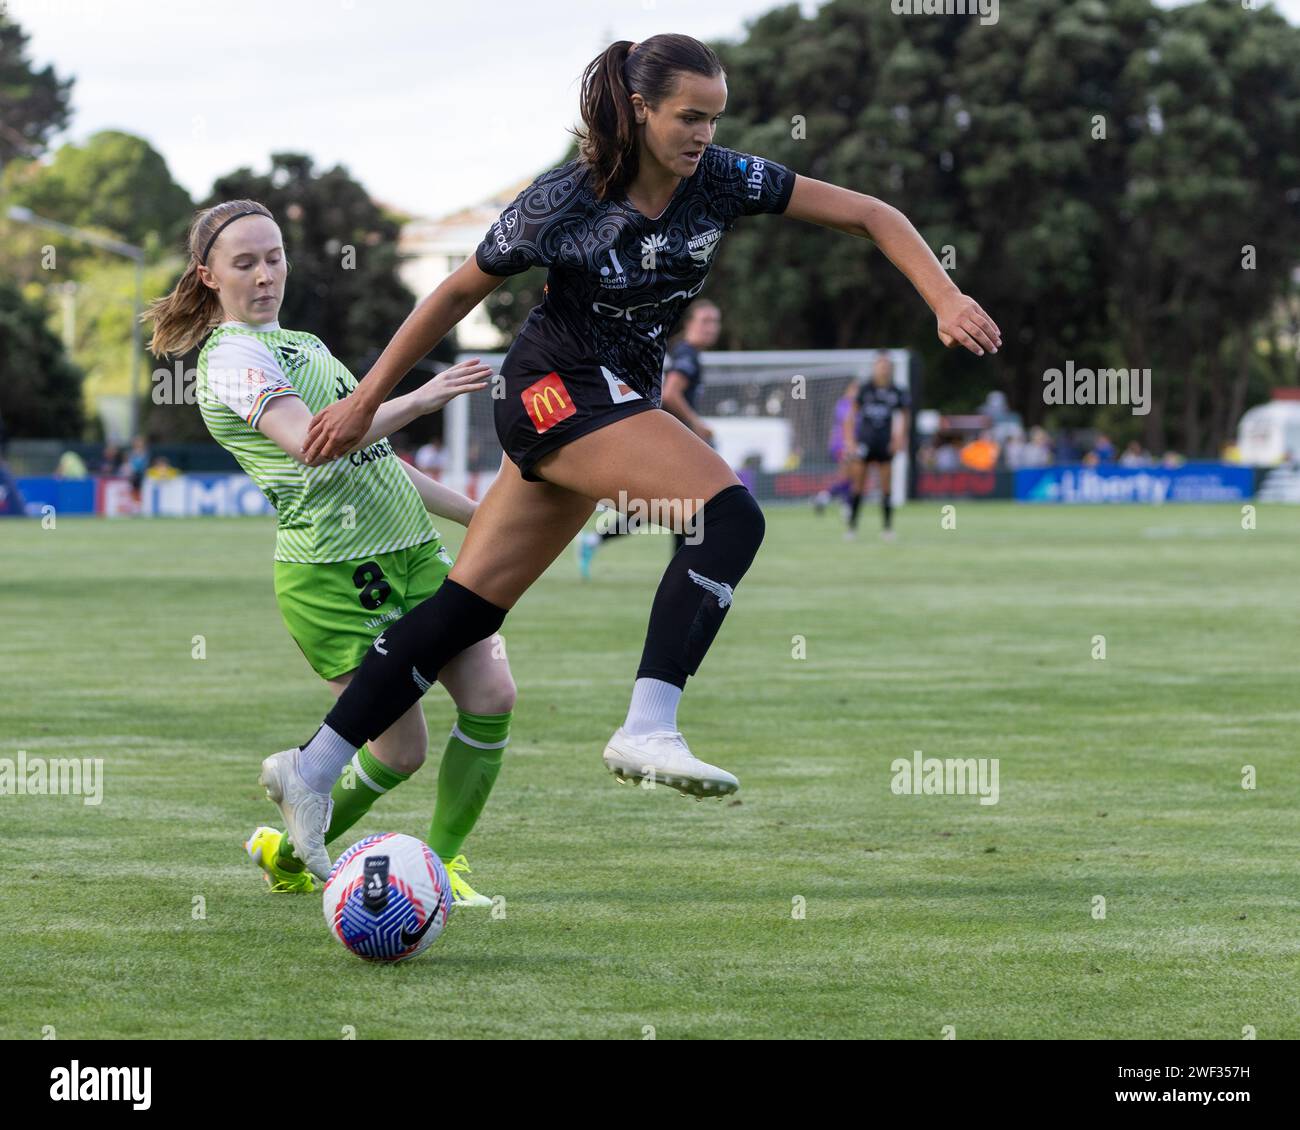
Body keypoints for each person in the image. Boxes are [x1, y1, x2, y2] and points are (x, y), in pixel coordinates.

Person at [284, 34, 1000, 872]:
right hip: (551, 389)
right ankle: (648, 727)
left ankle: (314, 766)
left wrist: (944, 296)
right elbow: (453, 293)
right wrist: (367, 400)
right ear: (638, 110)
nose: (703, 135)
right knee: (728, 515)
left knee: (465, 611)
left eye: (714, 118)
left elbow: (873, 214)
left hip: (610, 399)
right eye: (688, 117)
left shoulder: (726, 180)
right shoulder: (567, 197)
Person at [142, 199, 513, 900]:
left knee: (493, 695)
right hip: (334, 573)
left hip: (413, 551)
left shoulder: (306, 346)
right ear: (208, 276)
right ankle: (290, 848)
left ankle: (440, 864)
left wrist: (477, 516)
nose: (264, 275)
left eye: (274, 257)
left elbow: (373, 460)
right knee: (401, 751)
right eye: (244, 263)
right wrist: (417, 399)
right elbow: (316, 446)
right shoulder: (228, 360)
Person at [575, 298, 721, 577]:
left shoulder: (682, 351)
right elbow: (670, 394)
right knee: (685, 506)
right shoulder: (688, 356)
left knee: (662, 505)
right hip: (672, 443)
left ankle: (595, 540)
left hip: (663, 440)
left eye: (715, 322)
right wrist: (697, 425)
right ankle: (682, 572)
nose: (711, 327)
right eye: (705, 321)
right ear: (689, 323)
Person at [843, 354, 910, 541]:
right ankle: (852, 527)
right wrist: (850, 441)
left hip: (885, 445)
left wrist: (900, 439)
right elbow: (850, 417)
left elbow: (905, 416)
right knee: (858, 486)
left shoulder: (897, 391)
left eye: (887, 364)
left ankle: (887, 528)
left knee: (886, 488)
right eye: (880, 364)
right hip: (864, 444)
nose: (884, 368)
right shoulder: (864, 389)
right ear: (875, 367)